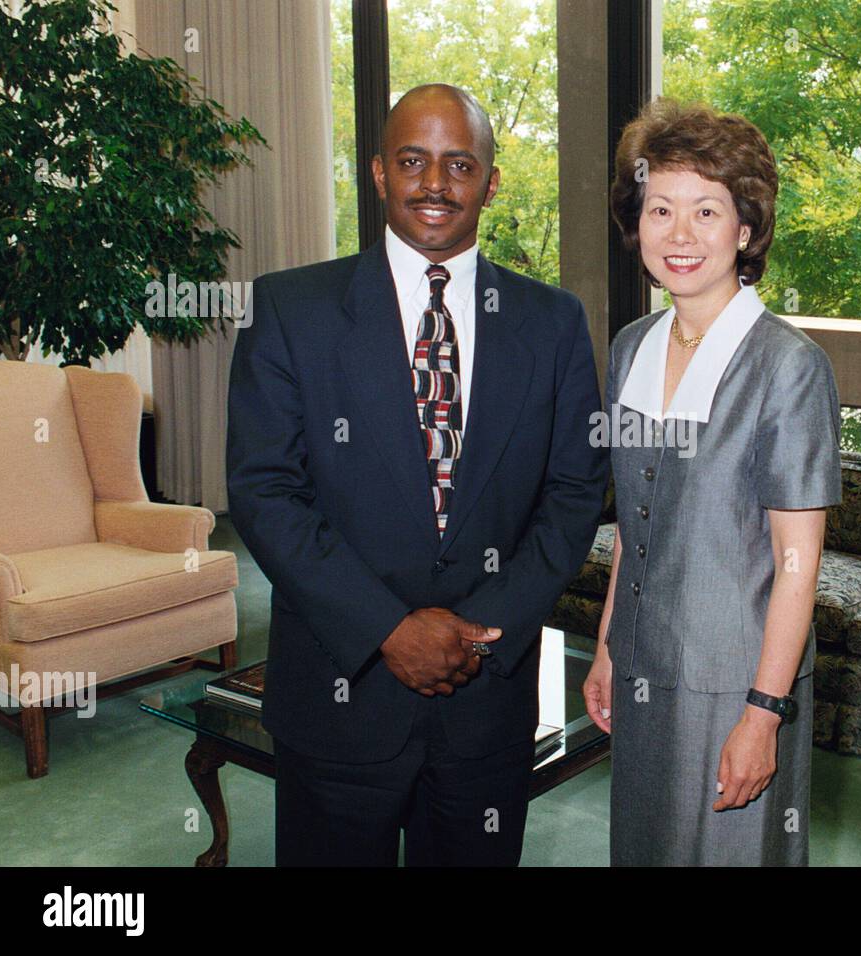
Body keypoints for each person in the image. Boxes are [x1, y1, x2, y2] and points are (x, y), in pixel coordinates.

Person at [226, 83, 608, 866]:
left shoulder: (553, 322)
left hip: (488, 703)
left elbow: (574, 493)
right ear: (377, 172)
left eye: (459, 164)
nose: (435, 184)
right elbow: (265, 490)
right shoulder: (290, 309)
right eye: (412, 161)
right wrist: (386, 630)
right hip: (340, 698)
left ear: (491, 182)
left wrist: (482, 630)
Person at [582, 98, 841, 866]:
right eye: (659, 209)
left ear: (746, 229)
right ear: (637, 225)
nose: (681, 234)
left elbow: (800, 564)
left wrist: (764, 713)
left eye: (706, 210)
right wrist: (606, 650)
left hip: (736, 681)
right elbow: (634, 526)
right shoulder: (630, 350)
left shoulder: (788, 366)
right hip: (641, 667)